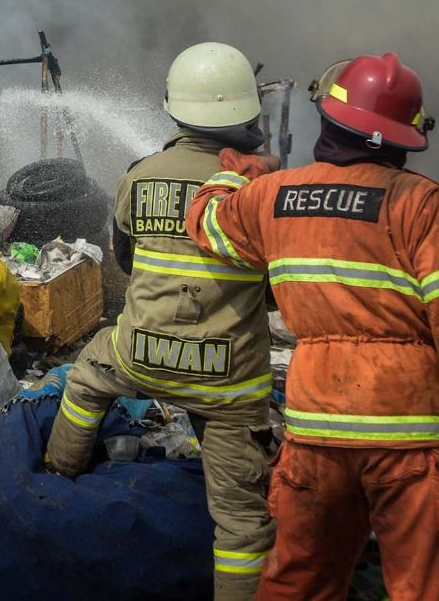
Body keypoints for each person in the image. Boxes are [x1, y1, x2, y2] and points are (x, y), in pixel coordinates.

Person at [185, 52, 439, 601]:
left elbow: (207, 222)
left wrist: (234, 173)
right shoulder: (420, 202)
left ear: (328, 118)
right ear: (405, 135)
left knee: (299, 583)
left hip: (317, 434)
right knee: (427, 589)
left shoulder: (273, 196)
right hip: (412, 441)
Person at [46, 42, 277, 601]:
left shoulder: (139, 175)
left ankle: (58, 474)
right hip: (227, 383)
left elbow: (125, 262)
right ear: (248, 113)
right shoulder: (261, 190)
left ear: (174, 107)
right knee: (242, 523)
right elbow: (274, 291)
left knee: (88, 373)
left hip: (141, 356)